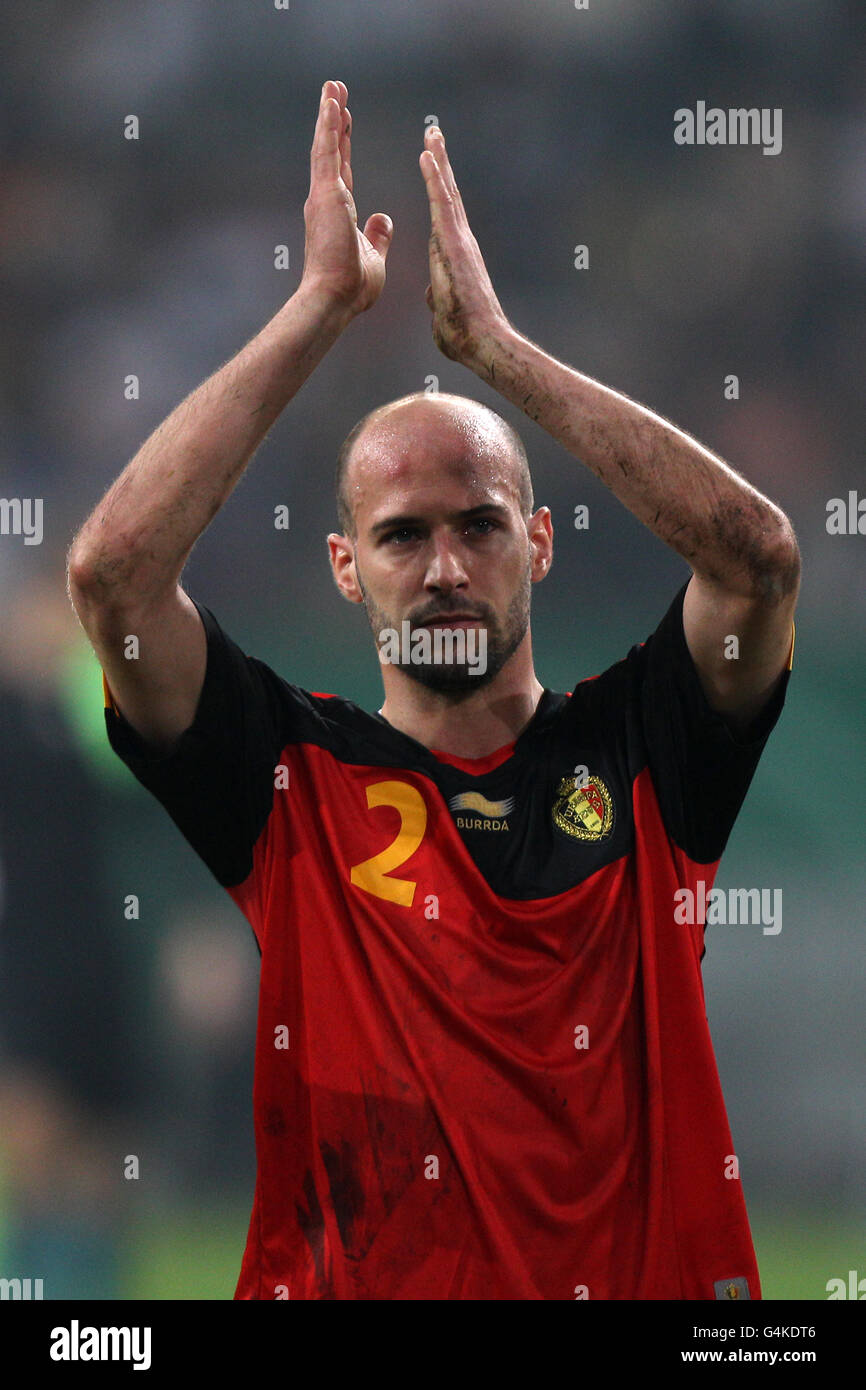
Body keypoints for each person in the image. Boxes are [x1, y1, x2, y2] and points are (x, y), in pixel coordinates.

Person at [67, 80, 799, 1300]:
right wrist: (314, 313)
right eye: (402, 537)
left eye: (480, 525)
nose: (445, 568)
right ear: (346, 568)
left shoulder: (648, 748)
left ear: (541, 543)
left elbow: (759, 555)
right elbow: (111, 580)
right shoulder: (283, 775)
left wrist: (498, 356)